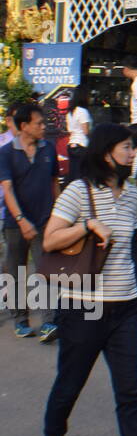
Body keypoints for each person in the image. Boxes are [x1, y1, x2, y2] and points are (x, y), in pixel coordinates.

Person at [40, 123, 137, 436]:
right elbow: (49, 240)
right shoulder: (78, 191)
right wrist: (87, 225)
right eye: (127, 148)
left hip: (127, 307)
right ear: (107, 153)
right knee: (70, 384)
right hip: (83, 307)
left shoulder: (133, 192)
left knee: (131, 393)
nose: (133, 154)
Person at [2, 102, 61, 341]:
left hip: (45, 221)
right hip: (16, 224)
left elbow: (54, 182)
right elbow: (7, 190)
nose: (43, 127)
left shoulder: (48, 149)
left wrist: (59, 215)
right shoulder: (6, 153)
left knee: (45, 270)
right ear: (24, 126)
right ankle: (20, 319)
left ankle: (48, 322)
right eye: (38, 123)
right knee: (16, 272)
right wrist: (21, 220)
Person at [66, 88, 93, 184]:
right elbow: (86, 131)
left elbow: (70, 130)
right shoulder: (83, 111)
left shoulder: (70, 112)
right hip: (82, 145)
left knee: (73, 174)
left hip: (72, 144)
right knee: (83, 175)